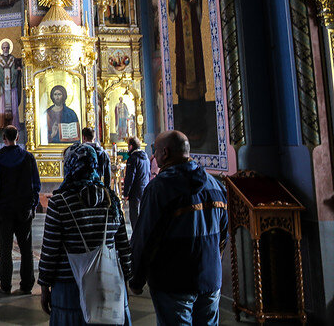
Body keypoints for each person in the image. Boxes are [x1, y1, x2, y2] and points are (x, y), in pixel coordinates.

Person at [129, 130, 228, 325]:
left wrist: (136, 279)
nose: (153, 156)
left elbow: (146, 238)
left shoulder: (160, 188)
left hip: (173, 281)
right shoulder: (215, 185)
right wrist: (210, 264)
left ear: (165, 153)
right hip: (210, 278)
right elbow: (223, 235)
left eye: (154, 150)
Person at [38, 144, 132, 324]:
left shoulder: (60, 203)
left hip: (69, 287)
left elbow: (50, 251)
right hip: (108, 282)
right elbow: (123, 246)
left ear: (70, 166)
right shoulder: (111, 199)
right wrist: (126, 278)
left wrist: (44, 285)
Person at [0, 125, 40, 295]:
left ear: (4, 138)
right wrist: (33, 205)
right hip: (24, 209)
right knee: (26, 249)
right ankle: (27, 285)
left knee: (5, 248)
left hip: (4, 209)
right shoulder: (28, 158)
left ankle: (5, 284)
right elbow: (35, 185)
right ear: (17, 138)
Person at [122, 137, 150, 227]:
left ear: (131, 146)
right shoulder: (146, 157)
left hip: (135, 191)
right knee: (143, 214)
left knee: (134, 215)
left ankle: (136, 237)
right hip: (144, 188)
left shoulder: (133, 158)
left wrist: (126, 193)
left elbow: (130, 177)